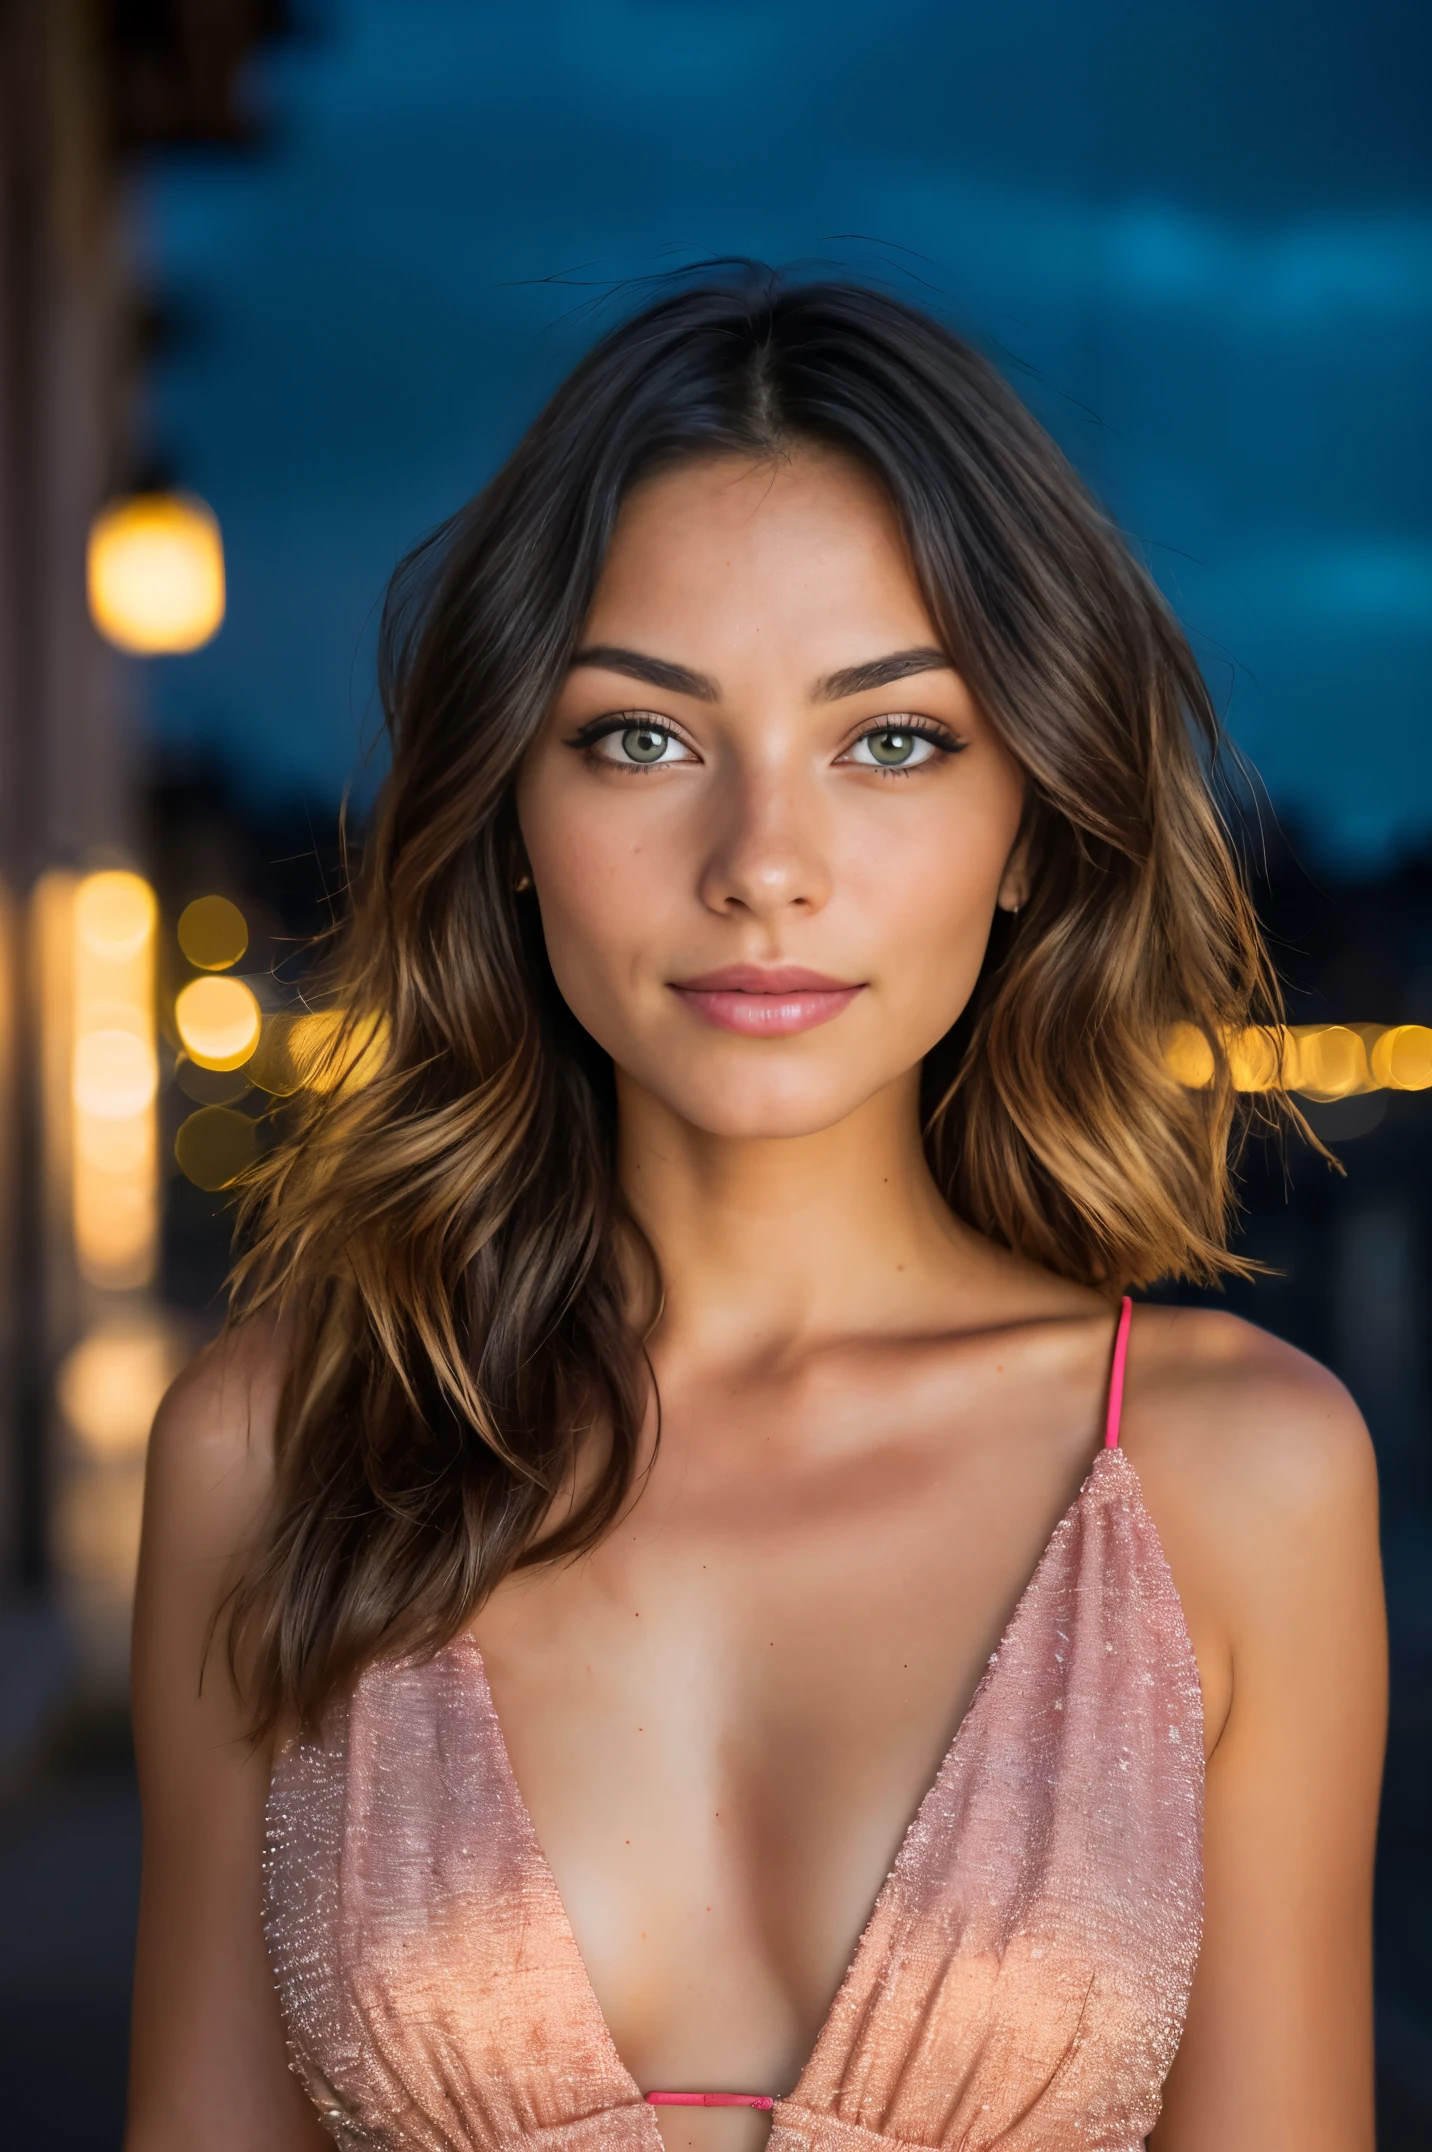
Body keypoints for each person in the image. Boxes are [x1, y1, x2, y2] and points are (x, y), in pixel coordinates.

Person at [125, 275, 1386, 2152]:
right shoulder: (277, 1449)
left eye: (893, 740)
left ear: (1033, 823)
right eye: (643, 737)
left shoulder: (1243, 1475)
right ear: (509, 813)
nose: (763, 867)